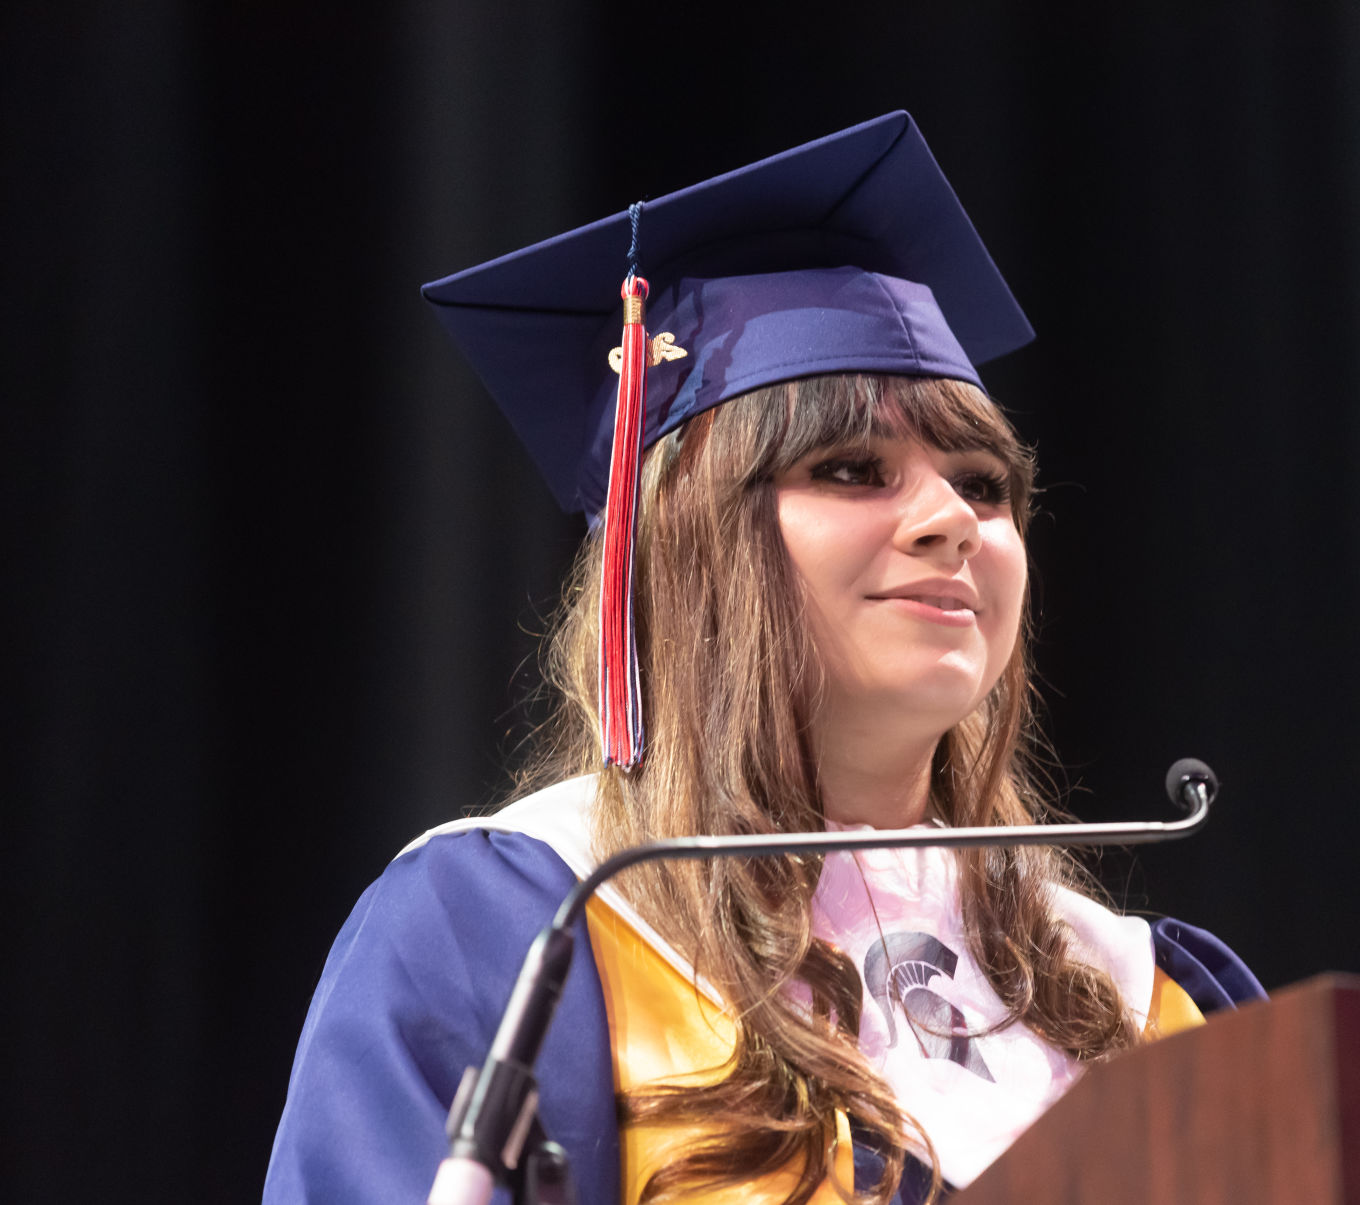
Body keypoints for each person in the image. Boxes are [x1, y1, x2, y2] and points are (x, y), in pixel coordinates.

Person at [263, 112, 1263, 1205]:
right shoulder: (514, 933)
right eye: (850, 467)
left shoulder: (1146, 995)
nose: (949, 518)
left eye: (982, 482)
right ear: (686, 548)